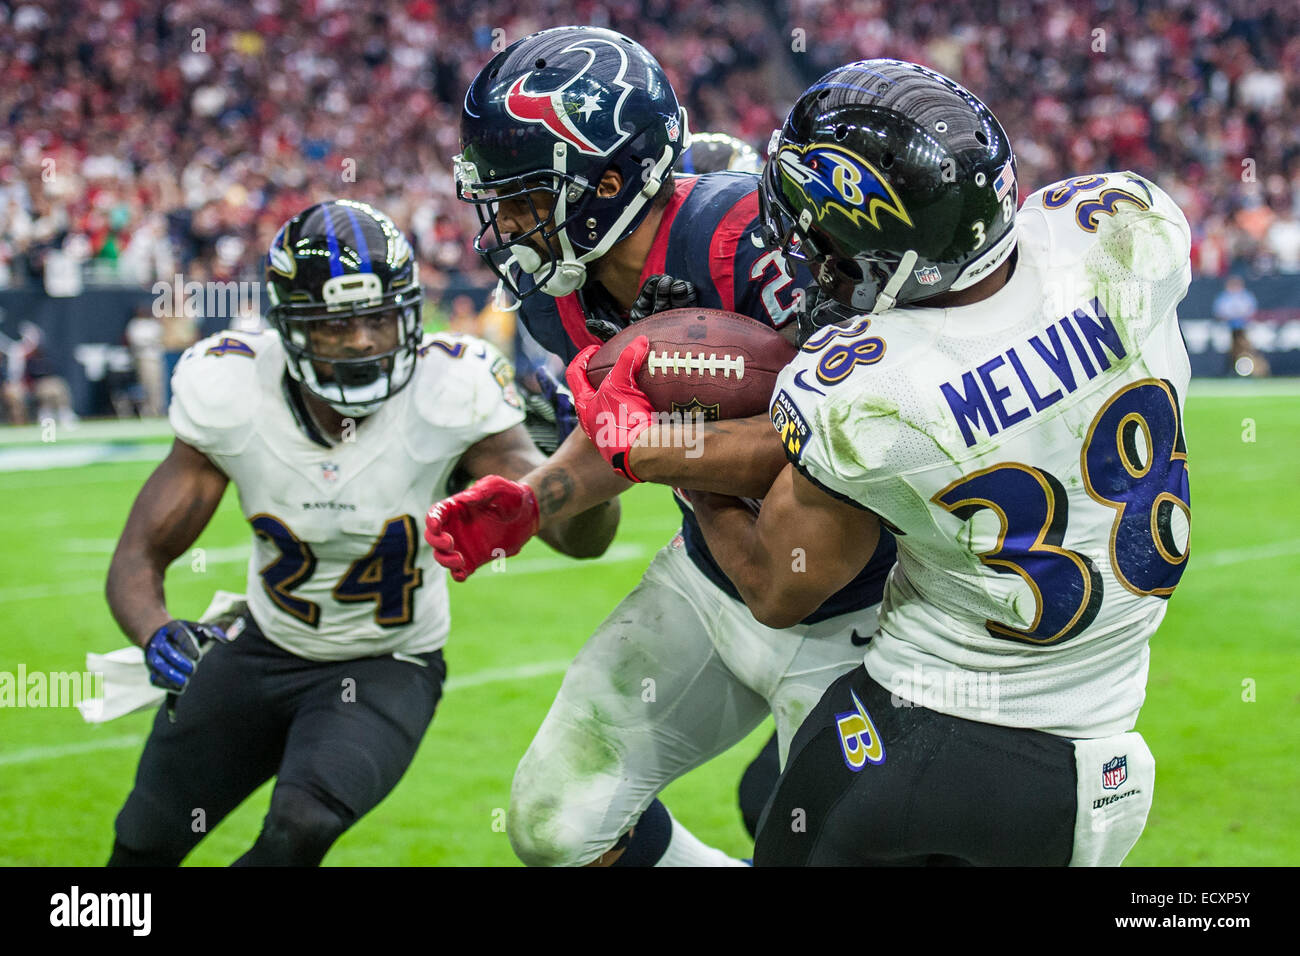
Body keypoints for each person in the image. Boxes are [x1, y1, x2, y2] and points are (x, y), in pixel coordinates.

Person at [679, 59, 1192, 865]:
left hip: (921, 734)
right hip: (1103, 767)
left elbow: (777, 588)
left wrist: (690, 474)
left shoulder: (869, 388)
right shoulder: (1123, 228)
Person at [427, 26, 895, 867]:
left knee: (826, 847)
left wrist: (654, 450)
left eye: (526, 199)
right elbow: (617, 437)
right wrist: (538, 499)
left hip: (862, 609)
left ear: (607, 182)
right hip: (712, 579)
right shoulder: (561, 299)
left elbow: (840, 437)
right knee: (555, 823)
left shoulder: (749, 236)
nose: (503, 227)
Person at [105, 200, 618, 866]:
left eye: (379, 318)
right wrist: (157, 632)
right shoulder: (232, 387)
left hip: (387, 664)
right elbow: (139, 556)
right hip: (263, 645)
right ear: (290, 328)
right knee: (144, 840)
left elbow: (584, 540)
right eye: (336, 324)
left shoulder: (452, 389)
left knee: (299, 825)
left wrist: (581, 457)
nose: (362, 342)